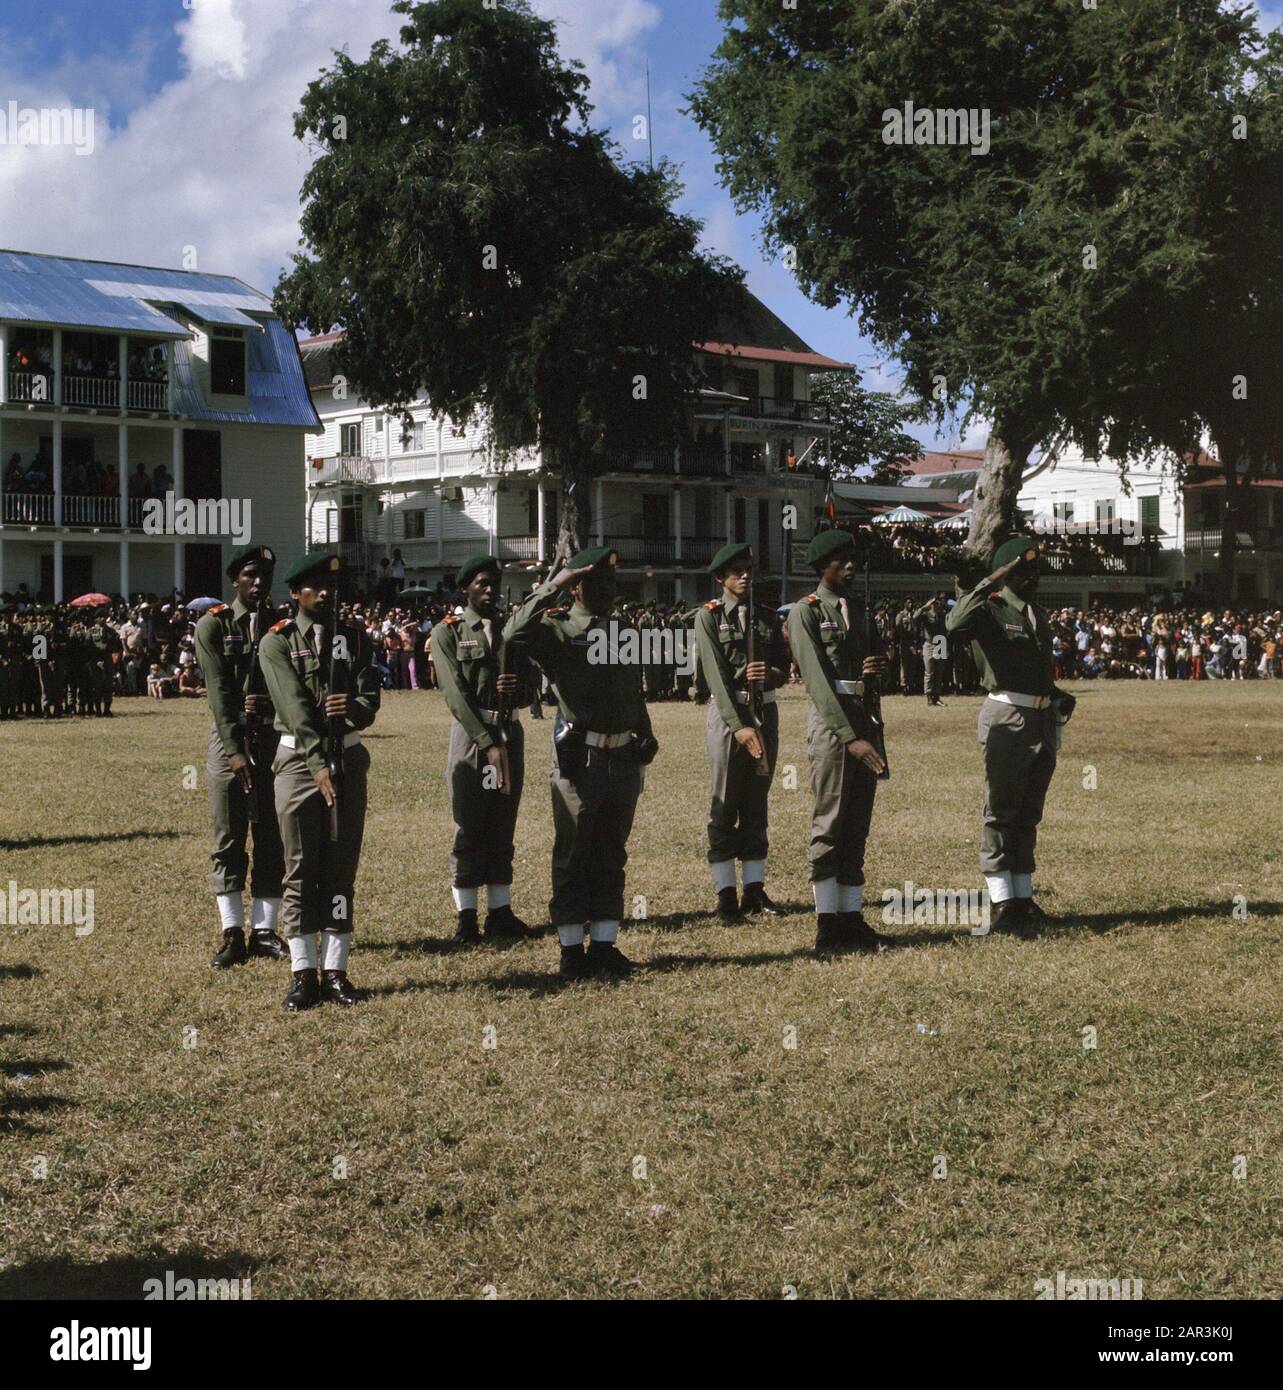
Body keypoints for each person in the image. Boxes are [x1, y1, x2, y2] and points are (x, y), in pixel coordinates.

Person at [503, 546, 656, 981]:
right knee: (573, 852)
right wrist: (555, 583)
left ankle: (605, 944)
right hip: (581, 758)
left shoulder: (622, 630)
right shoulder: (557, 629)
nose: (609, 590)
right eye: (598, 582)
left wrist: (644, 733)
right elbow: (513, 633)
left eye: (612, 582)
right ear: (578, 586)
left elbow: (632, 693)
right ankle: (572, 949)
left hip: (623, 755)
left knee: (611, 852)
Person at [259, 552, 381, 1011]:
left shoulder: (353, 637)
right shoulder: (278, 643)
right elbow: (293, 707)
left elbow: (371, 700)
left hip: (347, 755)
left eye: (332, 586)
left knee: (341, 868)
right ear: (295, 593)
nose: (327, 593)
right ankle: (302, 972)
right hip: (299, 761)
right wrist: (316, 763)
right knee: (300, 867)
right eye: (315, 585)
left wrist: (349, 707)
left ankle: (336, 970)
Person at [945, 535, 1075, 937]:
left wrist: (1056, 696)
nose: (1034, 577)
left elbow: (1036, 667)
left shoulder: (1037, 613)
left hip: (1040, 716)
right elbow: (954, 624)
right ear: (1007, 574)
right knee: (1001, 810)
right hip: (1007, 713)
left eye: (1036, 570)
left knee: (1028, 810)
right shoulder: (990, 609)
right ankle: (1002, 902)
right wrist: (989, 581)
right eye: (1024, 571)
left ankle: (1023, 897)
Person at [787, 530, 890, 957]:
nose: (851, 566)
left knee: (856, 823)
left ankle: (851, 918)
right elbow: (816, 681)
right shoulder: (805, 612)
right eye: (842, 560)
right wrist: (851, 739)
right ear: (822, 566)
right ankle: (827, 924)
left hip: (865, 717)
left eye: (853, 560)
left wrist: (878, 668)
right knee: (830, 823)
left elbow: (875, 664)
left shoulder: (861, 610)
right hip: (835, 727)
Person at [431, 553, 536, 947]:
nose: (491, 590)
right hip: (474, 738)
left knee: (502, 821)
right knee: (469, 825)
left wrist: (519, 692)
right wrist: (487, 743)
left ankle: (500, 911)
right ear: (466, 589)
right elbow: (455, 696)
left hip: (509, 730)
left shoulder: (510, 631)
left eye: (495, 583)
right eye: (482, 584)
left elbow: (530, 683)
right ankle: (466, 917)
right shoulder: (450, 632)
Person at [193, 546, 289, 970]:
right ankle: (233, 931)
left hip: (272, 739)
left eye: (265, 575)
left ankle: (265, 930)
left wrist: (268, 708)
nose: (258, 583)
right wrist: (234, 750)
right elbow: (217, 692)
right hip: (228, 740)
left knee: (271, 832)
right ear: (235, 580)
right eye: (250, 575)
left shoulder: (281, 626)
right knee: (229, 835)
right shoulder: (212, 626)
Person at [694, 542, 788, 921]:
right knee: (725, 804)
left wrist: (770, 674)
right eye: (736, 571)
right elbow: (715, 677)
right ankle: (725, 896)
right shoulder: (710, 617)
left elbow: (784, 666)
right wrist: (740, 727)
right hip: (730, 715)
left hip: (765, 710)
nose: (745, 576)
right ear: (721, 578)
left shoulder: (764, 616)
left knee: (756, 803)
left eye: (748, 569)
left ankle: (755, 890)